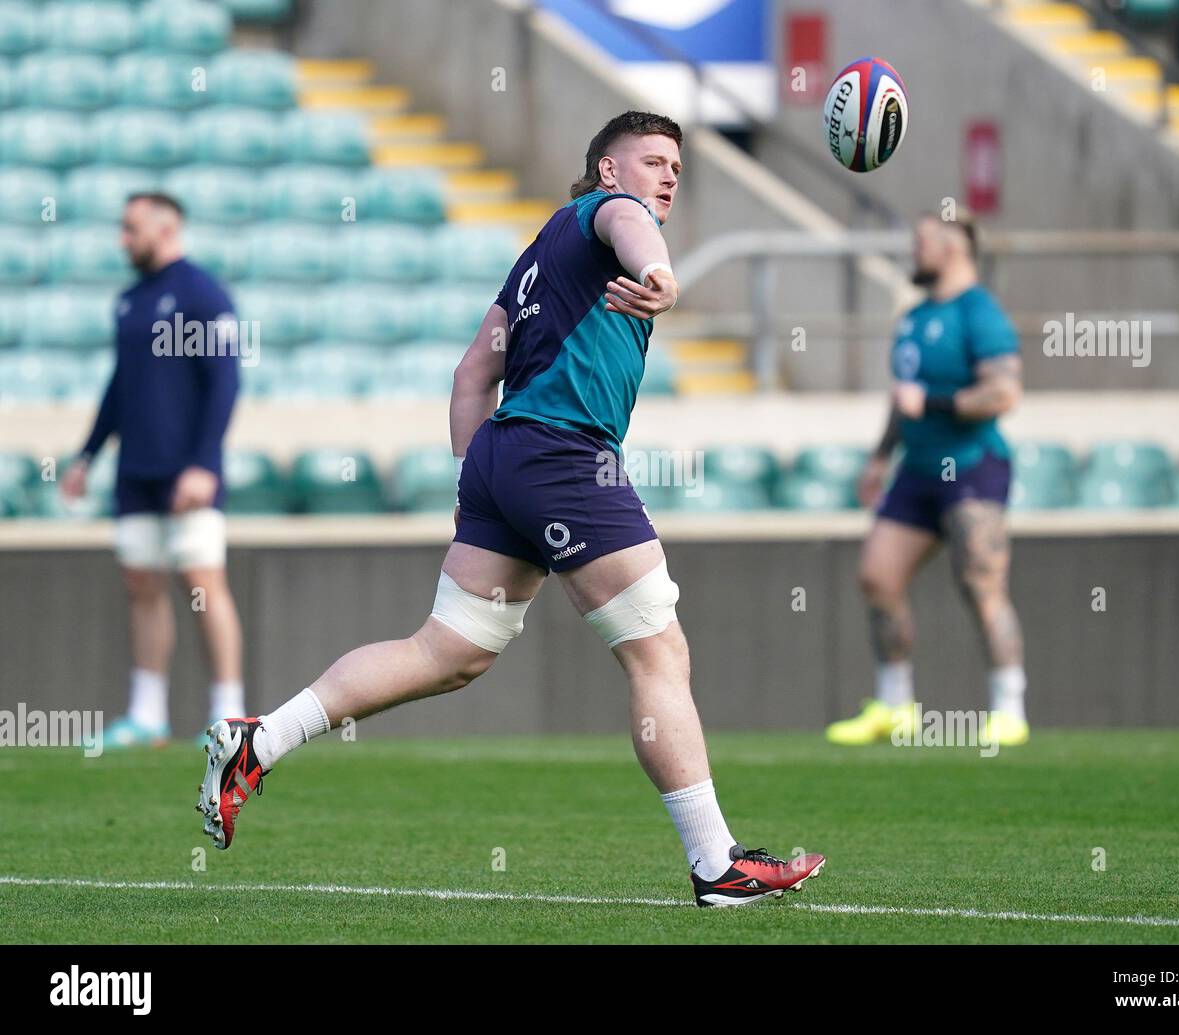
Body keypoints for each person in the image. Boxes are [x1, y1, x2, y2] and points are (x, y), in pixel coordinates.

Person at [198, 111, 825, 908]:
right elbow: (634, 227)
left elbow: (470, 374)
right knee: (657, 652)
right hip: (564, 455)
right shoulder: (608, 215)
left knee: (447, 653)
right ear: (607, 169)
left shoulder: (537, 256)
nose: (668, 177)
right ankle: (715, 864)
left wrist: (479, 484)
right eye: (654, 160)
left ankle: (262, 738)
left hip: (503, 457)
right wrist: (662, 273)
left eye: (676, 166)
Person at [826, 210, 1028, 748]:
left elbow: (1003, 393)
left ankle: (1010, 707)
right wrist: (879, 457)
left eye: (922, 243)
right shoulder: (913, 318)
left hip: (972, 465)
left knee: (981, 583)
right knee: (877, 578)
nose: (914, 252)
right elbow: (902, 400)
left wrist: (935, 403)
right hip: (915, 470)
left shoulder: (979, 313)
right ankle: (896, 707)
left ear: (954, 246)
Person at [64, 192, 244, 749]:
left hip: (185, 470)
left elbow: (225, 381)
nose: (123, 239)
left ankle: (230, 716)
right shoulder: (129, 301)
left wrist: (202, 463)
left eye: (131, 228)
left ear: (165, 228)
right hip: (135, 470)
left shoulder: (201, 292)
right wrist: (88, 454)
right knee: (140, 581)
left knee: (202, 580)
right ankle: (147, 716)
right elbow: (120, 386)